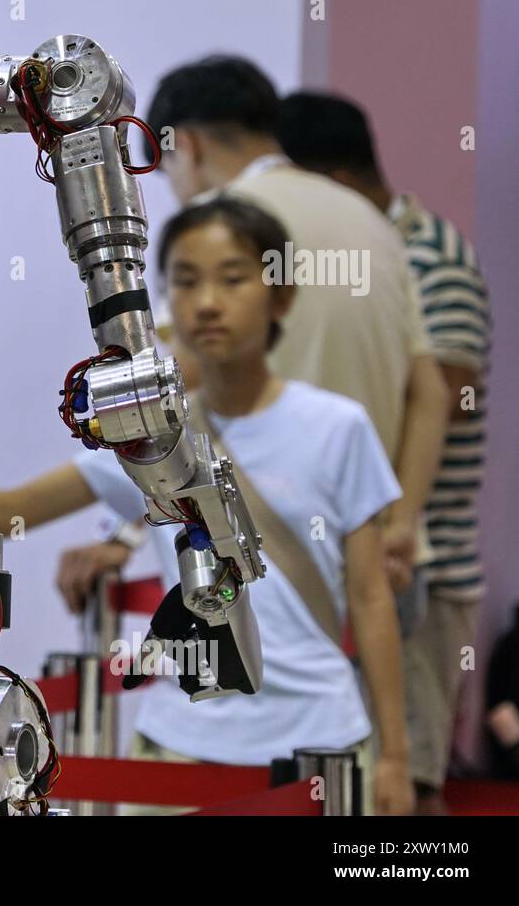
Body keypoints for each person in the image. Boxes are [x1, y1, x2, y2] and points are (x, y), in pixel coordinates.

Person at [0, 198, 414, 814]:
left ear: (281, 296)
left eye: (233, 278)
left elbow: (371, 597)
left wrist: (396, 756)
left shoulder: (338, 428)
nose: (207, 301)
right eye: (185, 280)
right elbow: (12, 506)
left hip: (323, 741)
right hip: (180, 743)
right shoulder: (148, 437)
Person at [118, 57, 447, 606]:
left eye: (166, 170)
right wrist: (402, 523)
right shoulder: (371, 219)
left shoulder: (219, 227)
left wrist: (123, 532)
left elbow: (172, 396)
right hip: (385, 560)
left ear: (189, 148)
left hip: (271, 564)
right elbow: (430, 392)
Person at [278, 90, 493, 813]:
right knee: (339, 785)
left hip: (419, 569)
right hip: (344, 563)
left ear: (333, 184)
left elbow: (444, 390)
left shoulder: (428, 250)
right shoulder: (351, 253)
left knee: (408, 786)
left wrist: (396, 528)